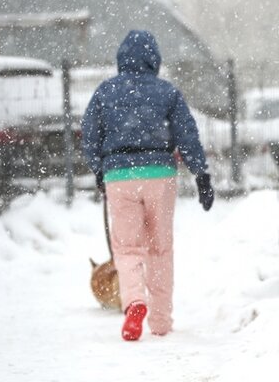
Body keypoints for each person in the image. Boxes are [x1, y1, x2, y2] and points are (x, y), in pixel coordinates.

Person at [81, 30, 214, 341]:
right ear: (154, 59)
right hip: (159, 176)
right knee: (160, 248)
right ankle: (161, 320)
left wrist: (100, 171)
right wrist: (201, 174)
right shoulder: (167, 92)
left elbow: (89, 135)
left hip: (119, 177)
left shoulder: (105, 92)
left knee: (127, 249)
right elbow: (187, 135)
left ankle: (134, 304)